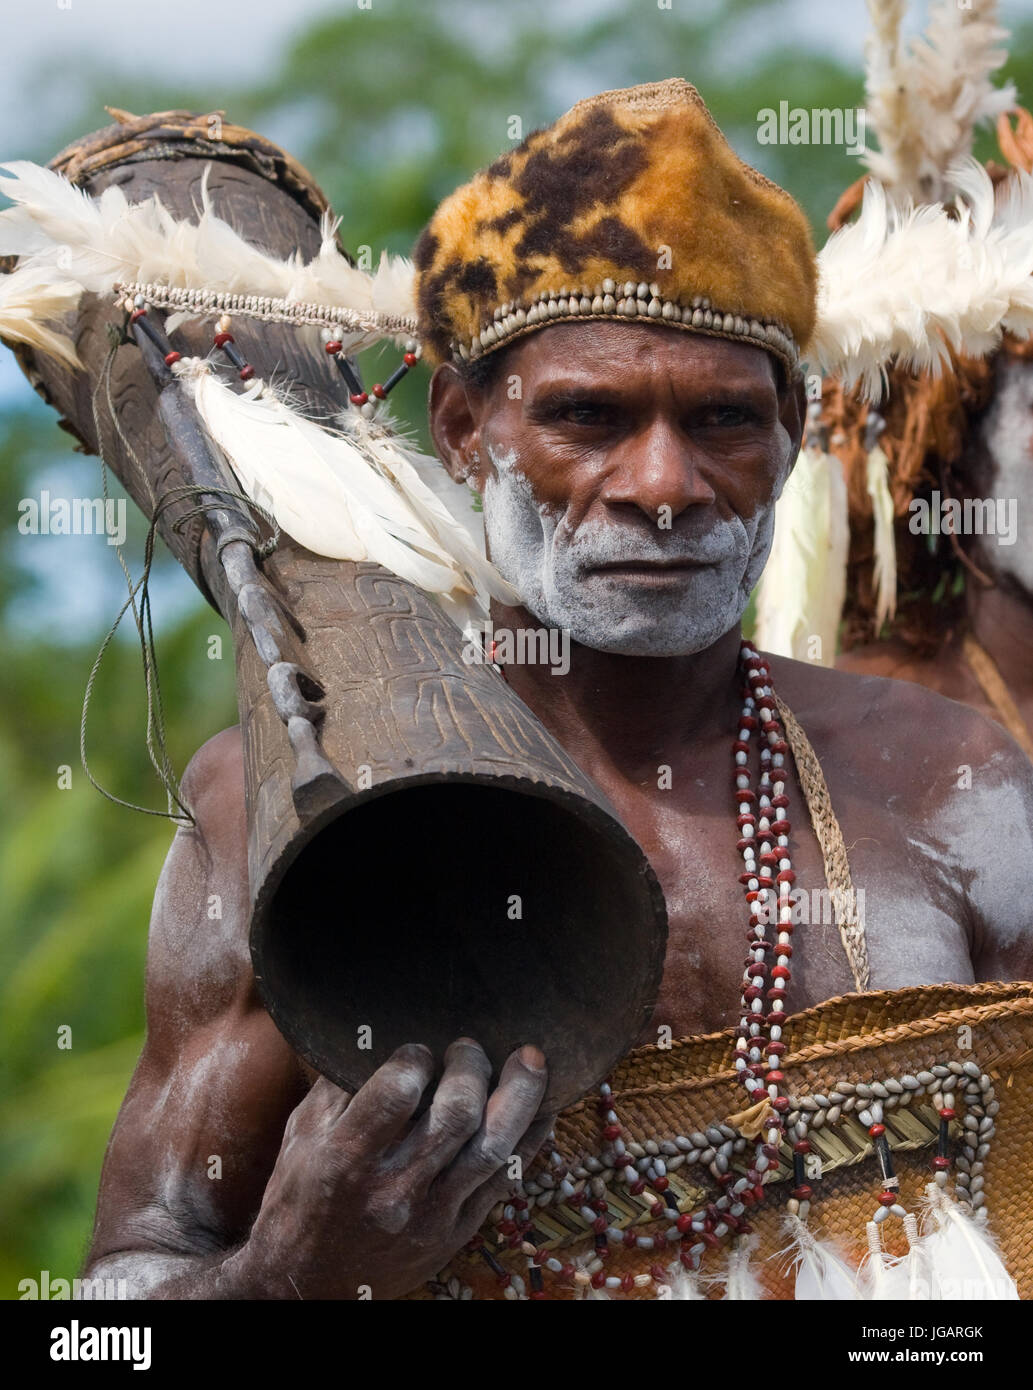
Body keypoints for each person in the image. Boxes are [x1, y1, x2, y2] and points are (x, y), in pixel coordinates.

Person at [82, 79, 1033, 1301]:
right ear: (467, 428)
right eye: (589, 416)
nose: (664, 483)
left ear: (793, 431)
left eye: (723, 420)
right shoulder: (293, 798)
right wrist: (288, 1275)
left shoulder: (954, 784)